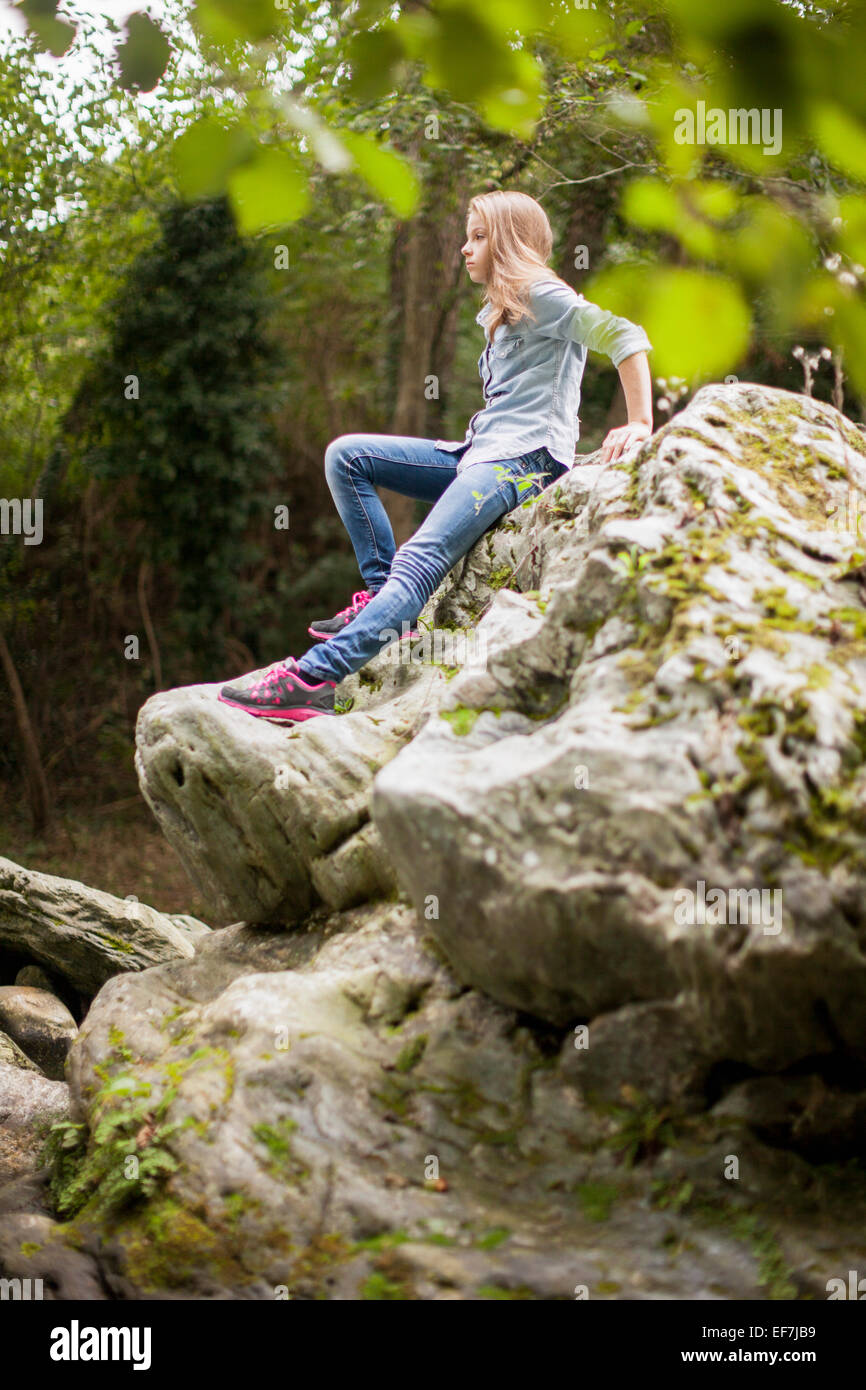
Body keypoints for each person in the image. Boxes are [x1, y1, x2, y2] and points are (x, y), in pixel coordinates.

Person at [220, 190, 653, 722]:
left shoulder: (543, 293)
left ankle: (311, 679)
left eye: (478, 236)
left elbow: (625, 335)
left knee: (418, 562)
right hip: (479, 453)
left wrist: (638, 423)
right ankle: (385, 600)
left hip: (521, 464)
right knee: (347, 456)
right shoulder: (505, 309)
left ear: (510, 240)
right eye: (466, 237)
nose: (465, 250)